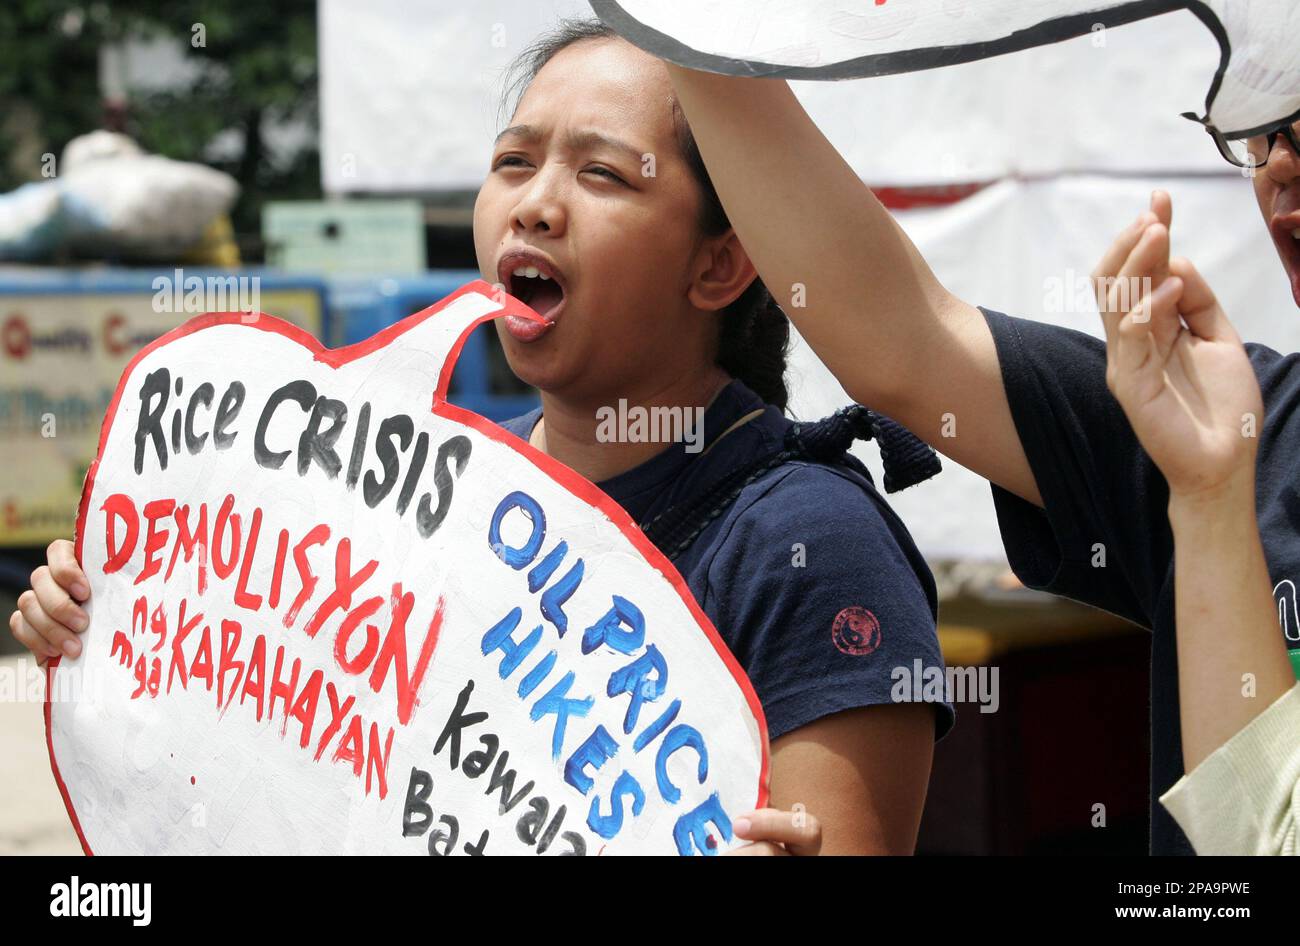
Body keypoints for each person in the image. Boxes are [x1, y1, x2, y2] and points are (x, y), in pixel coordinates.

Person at [8, 20, 955, 856]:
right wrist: (111, 623)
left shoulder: (812, 547)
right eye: (513, 162)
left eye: (601, 174)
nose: (534, 204)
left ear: (719, 264)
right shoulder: (436, 487)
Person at [656, 60, 1300, 854]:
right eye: (1264, 137)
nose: (1281, 168)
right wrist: (693, 34)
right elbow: (903, 340)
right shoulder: (1214, 416)